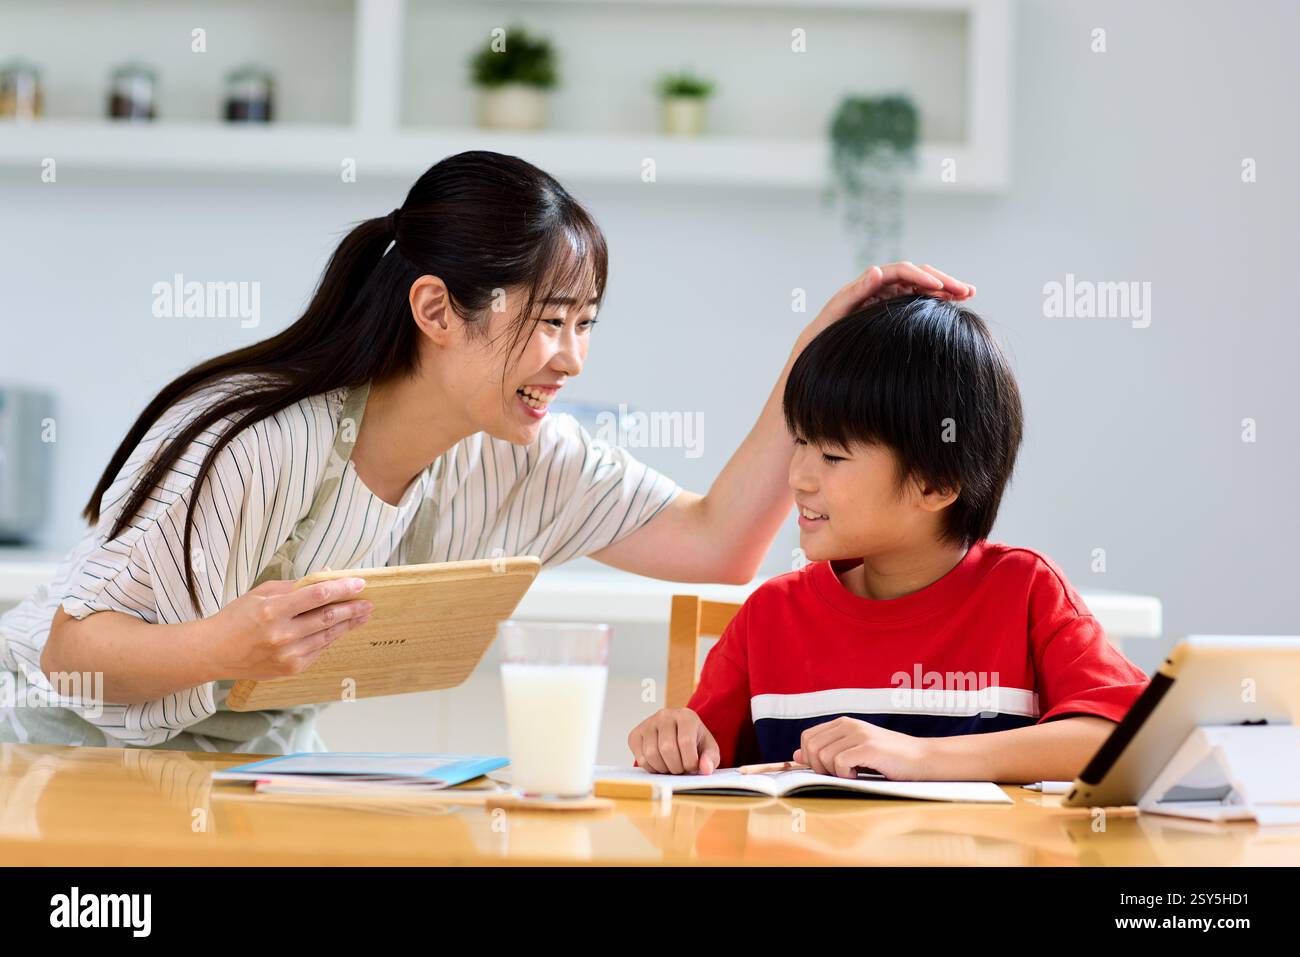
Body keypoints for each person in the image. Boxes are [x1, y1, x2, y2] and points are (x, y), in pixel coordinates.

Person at [0, 150, 972, 752]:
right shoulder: (256, 439)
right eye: (551, 321)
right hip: (62, 744)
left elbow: (718, 547)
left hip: (251, 762)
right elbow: (73, 651)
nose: (572, 359)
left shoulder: (531, 453)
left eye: (587, 323)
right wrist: (224, 645)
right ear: (435, 310)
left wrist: (811, 356)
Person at [627, 295, 1149, 782]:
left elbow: (1129, 737)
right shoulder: (769, 617)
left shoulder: (1025, 591)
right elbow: (698, 757)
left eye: (833, 456)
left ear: (938, 483)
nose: (799, 477)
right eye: (801, 442)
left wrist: (919, 756)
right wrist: (674, 738)